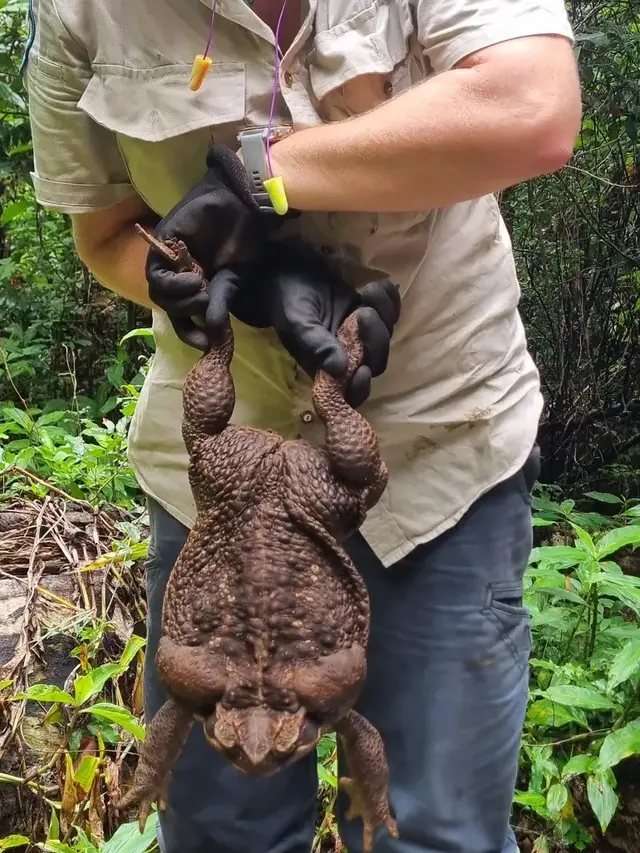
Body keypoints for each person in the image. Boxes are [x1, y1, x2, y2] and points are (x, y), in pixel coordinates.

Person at [23, 1, 581, 851]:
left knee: (437, 831)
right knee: (220, 833)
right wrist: (195, 280)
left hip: (435, 440)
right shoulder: (80, 11)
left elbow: (532, 109)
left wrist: (265, 172)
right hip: (221, 468)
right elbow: (104, 235)